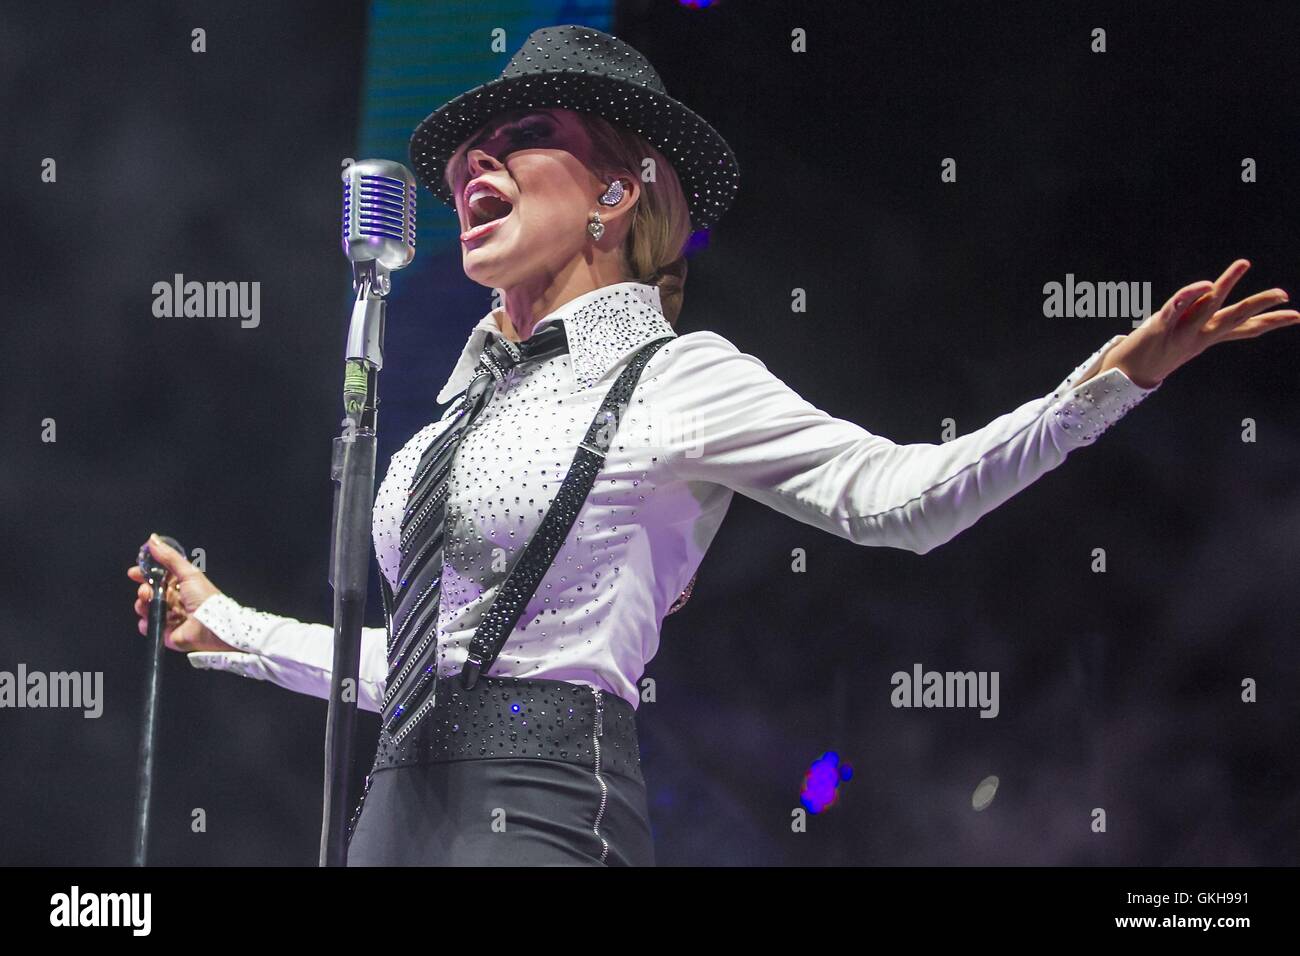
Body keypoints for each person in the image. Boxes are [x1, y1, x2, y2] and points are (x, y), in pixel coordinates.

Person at [126, 25, 1298, 866]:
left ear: (615, 194)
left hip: (546, 804)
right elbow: (431, 672)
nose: (471, 164)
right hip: (395, 808)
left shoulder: (679, 376)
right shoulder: (447, 411)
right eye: (464, 153)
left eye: (523, 136)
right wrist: (225, 626)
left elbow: (908, 496)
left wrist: (1111, 379)